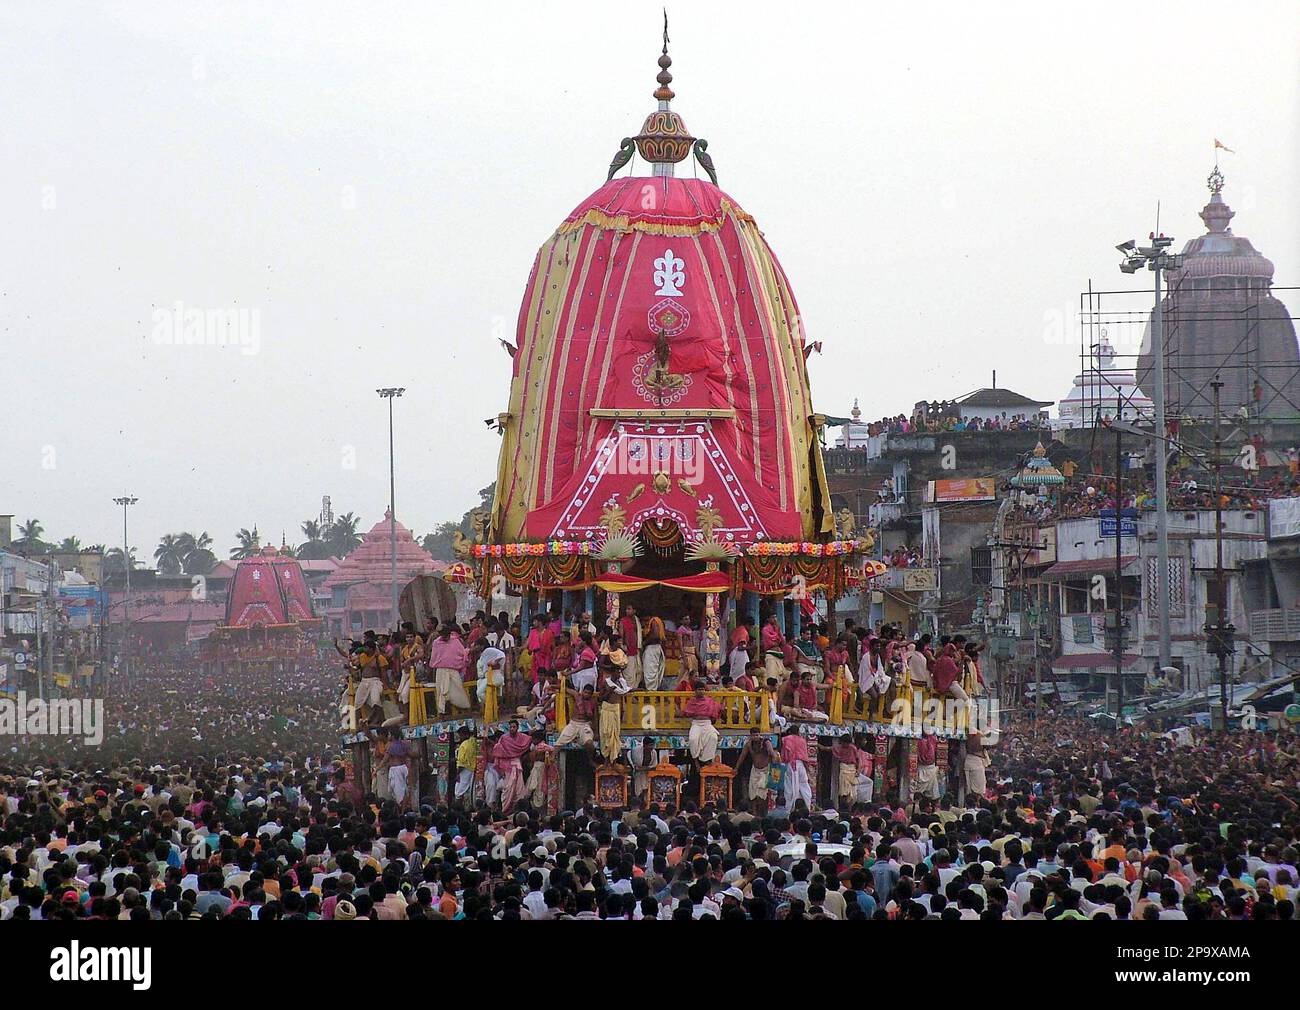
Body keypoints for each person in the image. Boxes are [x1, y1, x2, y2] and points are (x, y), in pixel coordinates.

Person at [427, 624, 471, 716]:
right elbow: (434, 657)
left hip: (453, 670)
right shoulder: (436, 643)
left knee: (458, 688)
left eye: (446, 635)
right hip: (440, 670)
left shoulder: (455, 641)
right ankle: (442, 712)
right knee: (441, 691)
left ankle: (464, 709)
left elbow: (462, 653)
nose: (444, 637)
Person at [493, 720, 533, 813]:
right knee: (508, 789)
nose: (512, 729)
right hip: (506, 767)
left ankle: (517, 810)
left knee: (519, 789)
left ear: (517, 728)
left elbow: (529, 739)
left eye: (514, 727)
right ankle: (505, 810)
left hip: (517, 766)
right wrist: (500, 769)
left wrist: (532, 731)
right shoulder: (504, 738)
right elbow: (498, 752)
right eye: (510, 727)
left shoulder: (522, 737)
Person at [683, 682, 722, 768]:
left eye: (703, 689)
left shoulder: (709, 701)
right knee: (693, 739)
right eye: (699, 689)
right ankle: (696, 761)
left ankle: (707, 760)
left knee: (713, 738)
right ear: (695, 691)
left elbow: (717, 710)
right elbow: (686, 713)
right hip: (696, 724)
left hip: (707, 723)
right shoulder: (692, 701)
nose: (701, 691)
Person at [737, 726, 775, 814]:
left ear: (760, 734)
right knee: (752, 793)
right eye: (754, 735)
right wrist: (736, 768)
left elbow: (772, 754)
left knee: (763, 793)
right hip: (755, 771)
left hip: (765, 771)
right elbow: (742, 756)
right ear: (751, 736)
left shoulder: (766, 742)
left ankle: (763, 813)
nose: (756, 737)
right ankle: (754, 813)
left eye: (757, 735)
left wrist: (774, 768)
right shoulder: (749, 744)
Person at [780, 728, 812, 811]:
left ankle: (789, 809)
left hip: (790, 765)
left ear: (790, 732)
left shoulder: (785, 739)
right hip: (800, 765)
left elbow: (783, 755)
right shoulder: (802, 740)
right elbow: (805, 756)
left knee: (789, 788)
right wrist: (807, 769)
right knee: (804, 786)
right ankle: (807, 807)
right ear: (798, 732)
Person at [619, 606, 643, 689]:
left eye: (629, 609)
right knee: (629, 673)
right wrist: (622, 647)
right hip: (627, 650)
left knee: (638, 671)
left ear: (634, 610)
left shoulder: (637, 621)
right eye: (626, 609)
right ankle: (629, 691)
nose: (627, 611)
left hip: (636, 650)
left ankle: (634, 689)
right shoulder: (623, 621)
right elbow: (621, 636)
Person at [642, 614, 667, 691]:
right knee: (653, 672)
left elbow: (655, 635)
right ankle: (653, 691)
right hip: (655, 649)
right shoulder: (656, 622)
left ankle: (651, 692)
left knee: (650, 672)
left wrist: (644, 643)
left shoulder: (654, 621)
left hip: (652, 649)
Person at [453, 727, 477, 802]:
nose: (460, 737)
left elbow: (462, 763)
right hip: (472, 769)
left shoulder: (464, 745)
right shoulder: (473, 741)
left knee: (458, 791)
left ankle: (458, 805)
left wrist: (457, 774)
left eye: (460, 735)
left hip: (464, 770)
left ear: (464, 735)